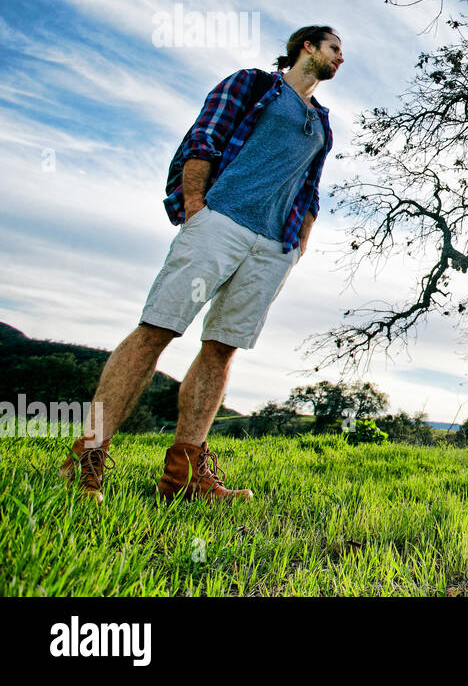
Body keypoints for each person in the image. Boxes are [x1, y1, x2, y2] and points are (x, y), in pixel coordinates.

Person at [59, 25, 342, 502]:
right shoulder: (253, 86)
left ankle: (184, 478)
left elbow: (310, 189)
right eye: (335, 47)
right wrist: (195, 204)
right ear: (307, 47)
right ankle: (86, 458)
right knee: (159, 328)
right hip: (220, 222)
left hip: (272, 246)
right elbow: (204, 140)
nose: (341, 57)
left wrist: (299, 243)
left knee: (221, 348)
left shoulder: (323, 122)